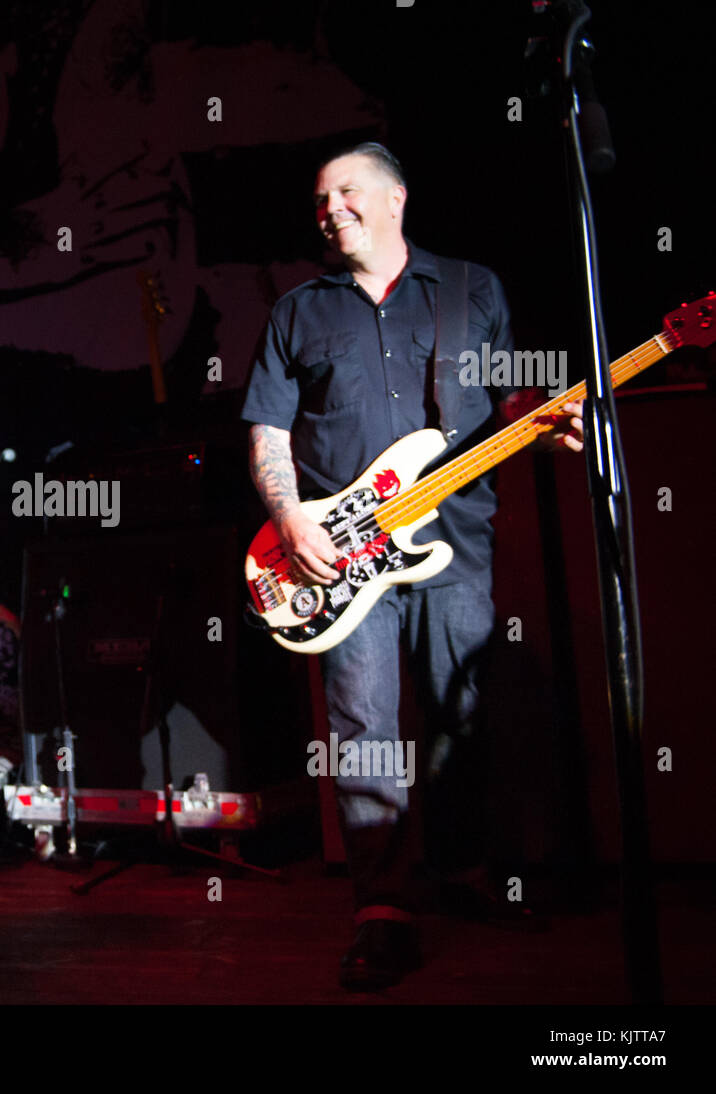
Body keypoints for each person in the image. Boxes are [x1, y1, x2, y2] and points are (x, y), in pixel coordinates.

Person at [242, 143, 583, 991]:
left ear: (395, 198)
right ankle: (381, 904)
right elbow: (268, 431)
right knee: (363, 726)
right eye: (320, 200)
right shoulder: (297, 312)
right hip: (337, 551)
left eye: (347, 192)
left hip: (454, 537)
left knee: (462, 710)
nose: (330, 210)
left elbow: (506, 396)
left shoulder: (472, 289)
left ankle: (464, 874)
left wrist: (541, 416)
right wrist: (289, 515)